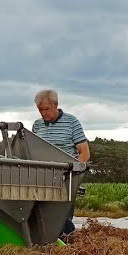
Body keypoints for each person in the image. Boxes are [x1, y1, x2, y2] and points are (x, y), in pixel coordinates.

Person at [31, 89, 89, 239]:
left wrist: (73, 173)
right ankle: (43, 242)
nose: (43, 113)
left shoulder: (72, 122)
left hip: (65, 177)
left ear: (55, 105)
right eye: (40, 110)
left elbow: (84, 153)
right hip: (42, 177)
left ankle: (66, 244)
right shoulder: (37, 125)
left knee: (61, 216)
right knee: (39, 213)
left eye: (46, 109)